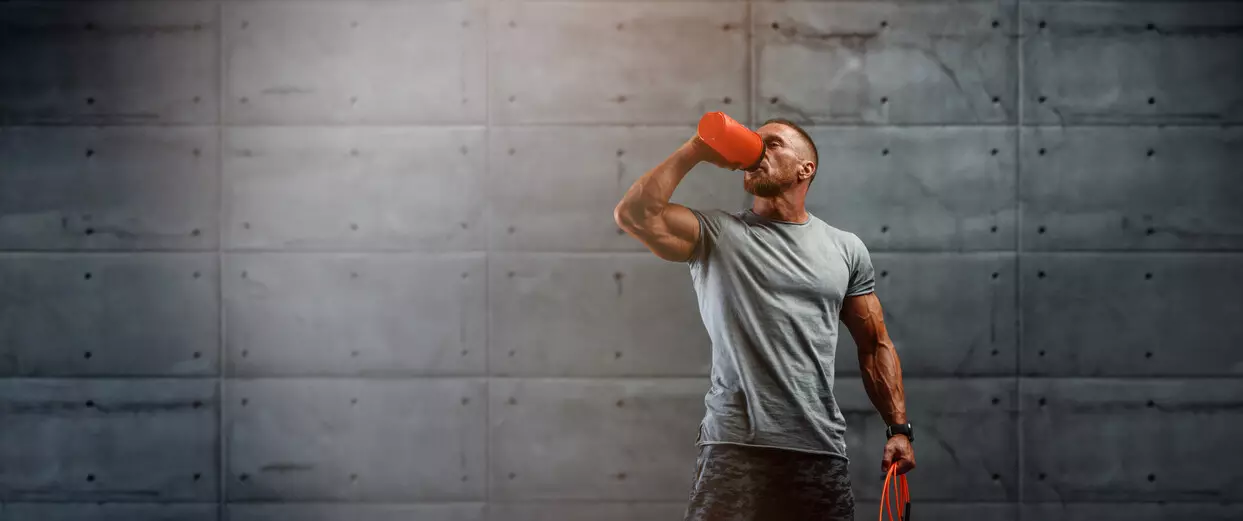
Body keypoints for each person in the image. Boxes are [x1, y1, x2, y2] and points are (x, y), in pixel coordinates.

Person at [613, 118, 915, 520]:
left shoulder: (845, 249)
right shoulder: (715, 234)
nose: (758, 151)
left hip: (818, 449)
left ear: (805, 169)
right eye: (756, 143)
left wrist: (898, 429)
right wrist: (696, 150)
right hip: (735, 448)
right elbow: (635, 215)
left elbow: (875, 345)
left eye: (772, 144)